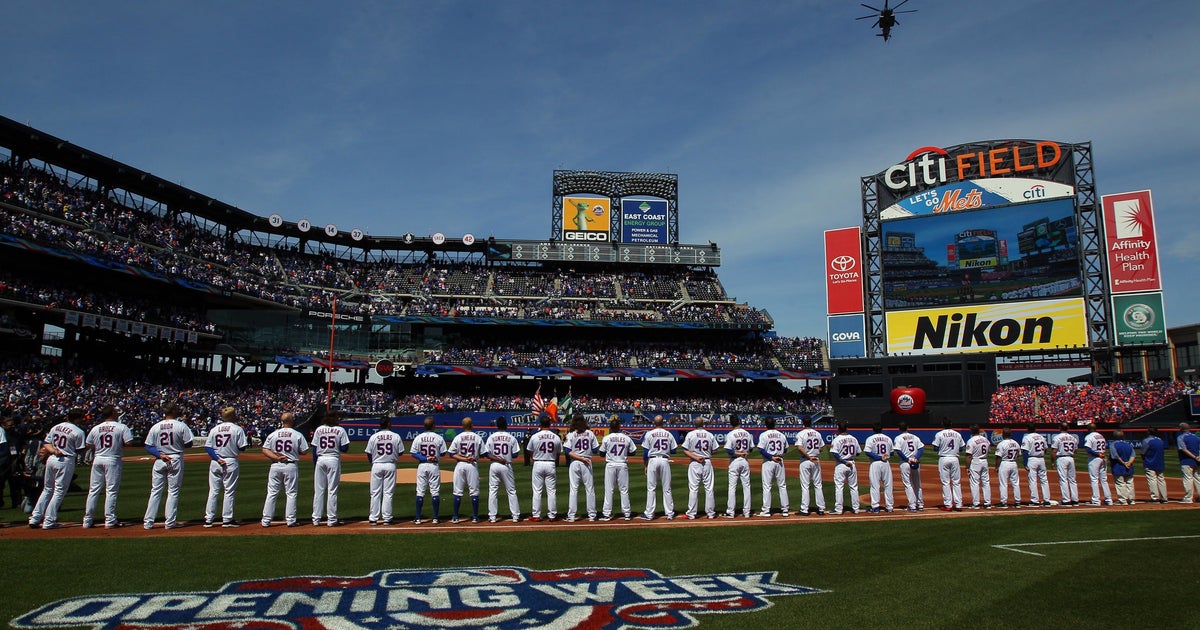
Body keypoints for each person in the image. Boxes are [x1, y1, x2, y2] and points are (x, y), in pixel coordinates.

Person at [28, 409, 85, 530]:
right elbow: (80, 450)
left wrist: (54, 451)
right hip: (66, 460)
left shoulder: (56, 427)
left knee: (47, 489)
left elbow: (46, 443)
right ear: (77, 418)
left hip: (52, 458)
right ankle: (49, 520)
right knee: (59, 491)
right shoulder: (78, 431)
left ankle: (35, 518)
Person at [143, 403, 195, 530]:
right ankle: (170, 522)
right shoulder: (181, 425)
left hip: (160, 459)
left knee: (155, 491)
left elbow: (148, 446)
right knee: (173, 491)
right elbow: (189, 444)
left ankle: (148, 523)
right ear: (174, 411)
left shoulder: (156, 426)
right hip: (175, 458)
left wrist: (160, 455)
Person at [82, 405, 133, 529]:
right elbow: (129, 442)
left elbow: (89, 444)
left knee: (93, 490)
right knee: (111, 490)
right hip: (112, 458)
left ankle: (87, 520)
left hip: (98, 458)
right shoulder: (121, 427)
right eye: (115, 412)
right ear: (112, 414)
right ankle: (110, 520)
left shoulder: (96, 428)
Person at [203, 407, 248, 528]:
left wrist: (217, 458)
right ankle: (227, 519)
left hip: (215, 461)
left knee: (213, 491)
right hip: (230, 461)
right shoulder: (237, 429)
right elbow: (242, 447)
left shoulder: (214, 429)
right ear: (234, 416)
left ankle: (208, 519)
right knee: (229, 491)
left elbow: (208, 447)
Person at [311, 410, 350, 527]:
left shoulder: (319, 429)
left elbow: (314, 450)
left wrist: (315, 464)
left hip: (320, 459)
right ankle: (332, 519)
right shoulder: (340, 430)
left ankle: (316, 519)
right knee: (332, 490)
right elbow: (345, 448)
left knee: (318, 491)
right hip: (333, 459)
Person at [364, 417, 404, 526]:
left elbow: (368, 453)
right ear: (389, 424)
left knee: (375, 492)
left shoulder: (374, 436)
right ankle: (387, 518)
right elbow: (400, 452)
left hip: (377, 464)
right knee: (388, 493)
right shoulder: (395, 436)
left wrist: (373, 462)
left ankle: (373, 518)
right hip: (390, 464)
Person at [483, 416, 522, 523]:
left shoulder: (491, 437)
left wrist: (497, 458)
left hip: (494, 465)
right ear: (506, 425)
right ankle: (515, 516)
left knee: (493, 490)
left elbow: (487, 454)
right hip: (506, 465)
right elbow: (515, 454)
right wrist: (505, 456)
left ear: (497, 425)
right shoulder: (511, 437)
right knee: (511, 490)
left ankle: (492, 516)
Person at [410, 416, 448, 524]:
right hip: (434, 465)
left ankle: (417, 518)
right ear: (434, 426)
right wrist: (433, 456)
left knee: (420, 492)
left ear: (424, 426)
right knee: (435, 492)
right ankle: (435, 518)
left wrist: (425, 457)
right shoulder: (438, 438)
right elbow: (443, 453)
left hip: (422, 466)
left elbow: (414, 453)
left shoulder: (418, 437)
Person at [640, 414, 678, 520]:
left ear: (654, 422)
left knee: (651, 488)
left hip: (652, 460)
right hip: (665, 460)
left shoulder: (649, 434)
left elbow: (645, 452)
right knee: (667, 488)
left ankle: (649, 514)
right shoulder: (668, 434)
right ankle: (670, 513)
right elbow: (674, 450)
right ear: (663, 422)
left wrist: (645, 465)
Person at [563, 413, 599, 522]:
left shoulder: (571, 434)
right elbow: (595, 450)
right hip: (587, 462)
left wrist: (579, 456)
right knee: (590, 489)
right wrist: (584, 455)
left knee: (574, 489)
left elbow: (567, 451)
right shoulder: (590, 433)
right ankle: (592, 515)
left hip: (574, 462)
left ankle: (571, 516)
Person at [598, 416, 636, 521]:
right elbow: (633, 452)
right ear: (619, 427)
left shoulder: (606, 438)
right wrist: (624, 453)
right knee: (624, 490)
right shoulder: (626, 438)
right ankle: (627, 514)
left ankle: (606, 514)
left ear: (610, 427)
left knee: (609, 490)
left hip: (610, 465)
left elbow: (601, 453)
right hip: (622, 464)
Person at [448, 416, 484, 524]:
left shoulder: (458, 437)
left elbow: (451, 454)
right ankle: (475, 517)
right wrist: (473, 457)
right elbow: (483, 453)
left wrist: (464, 458)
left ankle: (455, 516)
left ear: (462, 426)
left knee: (458, 492)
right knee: (474, 492)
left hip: (460, 465)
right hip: (472, 465)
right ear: (472, 425)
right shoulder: (477, 437)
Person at [527, 414, 562, 522]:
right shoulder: (556, 437)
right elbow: (558, 454)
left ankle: (536, 515)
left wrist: (534, 459)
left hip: (538, 463)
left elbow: (530, 451)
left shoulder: (535, 436)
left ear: (540, 424)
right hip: (550, 463)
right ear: (550, 424)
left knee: (537, 491)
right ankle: (552, 515)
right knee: (551, 491)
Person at [681, 416, 717, 520]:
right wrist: (705, 453)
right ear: (703, 424)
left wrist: (696, 456)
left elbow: (685, 449)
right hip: (707, 462)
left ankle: (691, 514)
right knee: (709, 488)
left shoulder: (690, 434)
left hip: (694, 463)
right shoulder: (709, 435)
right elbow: (715, 450)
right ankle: (710, 513)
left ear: (694, 424)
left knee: (693, 489)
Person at [755, 416, 789, 517]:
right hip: (780, 461)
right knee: (782, 485)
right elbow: (786, 449)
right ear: (774, 424)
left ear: (765, 424)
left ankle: (766, 511)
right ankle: (785, 510)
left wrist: (771, 457)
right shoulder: (781, 435)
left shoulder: (764, 435)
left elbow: (761, 449)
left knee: (767, 486)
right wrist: (778, 455)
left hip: (768, 462)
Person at [722, 415, 753, 518]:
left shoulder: (731, 434)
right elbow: (752, 448)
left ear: (731, 423)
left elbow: (728, 450)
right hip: (745, 461)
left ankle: (730, 512)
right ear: (739, 422)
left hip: (735, 461)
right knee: (746, 486)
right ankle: (747, 512)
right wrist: (744, 452)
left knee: (732, 487)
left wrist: (738, 453)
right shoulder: (747, 433)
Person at [794, 416, 827, 516]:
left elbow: (799, 448)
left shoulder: (801, 433)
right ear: (811, 423)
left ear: (803, 423)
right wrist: (815, 453)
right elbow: (822, 447)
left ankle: (804, 509)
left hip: (806, 460)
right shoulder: (817, 433)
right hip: (816, 460)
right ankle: (821, 509)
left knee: (805, 485)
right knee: (818, 485)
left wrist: (808, 456)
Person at [931, 417, 964, 512]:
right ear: (951, 424)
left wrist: (944, 447)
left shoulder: (939, 434)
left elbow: (935, 448)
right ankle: (958, 505)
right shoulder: (957, 434)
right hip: (955, 458)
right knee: (956, 482)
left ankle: (948, 505)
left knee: (945, 482)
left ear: (942, 424)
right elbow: (961, 448)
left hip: (944, 458)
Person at [829, 421, 861, 515]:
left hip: (841, 464)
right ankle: (856, 508)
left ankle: (838, 509)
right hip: (852, 463)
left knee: (839, 487)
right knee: (854, 487)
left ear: (838, 429)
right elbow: (858, 452)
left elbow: (834, 453)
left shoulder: (837, 439)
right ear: (847, 428)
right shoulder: (853, 439)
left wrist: (843, 461)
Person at [893, 422, 925, 511]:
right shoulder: (915, 437)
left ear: (899, 428)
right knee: (917, 484)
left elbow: (898, 451)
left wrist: (907, 459)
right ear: (907, 427)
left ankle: (912, 505)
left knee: (908, 484)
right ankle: (920, 504)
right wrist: (916, 458)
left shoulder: (898, 438)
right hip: (915, 462)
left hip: (905, 463)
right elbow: (921, 448)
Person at [863, 423, 894, 513]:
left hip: (875, 463)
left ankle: (875, 507)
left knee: (875, 485)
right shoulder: (888, 438)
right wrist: (884, 456)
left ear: (873, 429)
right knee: (888, 485)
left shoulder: (870, 439)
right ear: (882, 429)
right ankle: (889, 507)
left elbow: (867, 452)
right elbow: (891, 453)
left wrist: (879, 457)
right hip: (886, 463)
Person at [1083, 423, 1114, 506]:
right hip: (1102, 458)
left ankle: (1096, 500)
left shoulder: (1089, 437)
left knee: (1094, 479)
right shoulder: (1101, 436)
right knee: (1104, 480)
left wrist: (1097, 454)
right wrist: (1101, 455)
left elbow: (1088, 450)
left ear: (1088, 429)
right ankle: (1109, 499)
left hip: (1094, 459)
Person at [1050, 422, 1080, 507]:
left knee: (1063, 479)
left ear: (1060, 428)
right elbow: (1076, 450)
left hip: (1062, 458)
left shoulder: (1057, 437)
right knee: (1072, 480)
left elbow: (1054, 451)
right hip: (1071, 458)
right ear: (1068, 428)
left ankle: (1066, 500)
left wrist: (1052, 462)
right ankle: (1075, 500)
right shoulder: (1073, 438)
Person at [1021, 424, 1051, 507]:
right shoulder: (1041, 437)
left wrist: (1025, 463)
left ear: (1027, 429)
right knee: (1044, 480)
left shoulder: (1027, 437)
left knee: (1033, 480)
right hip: (1041, 459)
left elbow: (1025, 452)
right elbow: (1046, 449)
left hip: (1032, 459)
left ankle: (1035, 500)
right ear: (1035, 429)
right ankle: (1047, 500)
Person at [964, 425, 991, 509]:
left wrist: (967, 467)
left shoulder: (971, 441)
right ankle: (987, 503)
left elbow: (968, 456)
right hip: (984, 461)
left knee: (974, 483)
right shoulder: (985, 439)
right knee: (986, 482)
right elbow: (988, 451)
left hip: (975, 461)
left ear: (971, 431)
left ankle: (976, 504)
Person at [995, 428, 1022, 508]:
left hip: (1004, 463)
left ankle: (1003, 502)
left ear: (1003, 434)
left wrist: (997, 466)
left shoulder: (1001, 444)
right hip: (1014, 463)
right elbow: (1019, 454)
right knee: (1015, 483)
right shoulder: (1016, 443)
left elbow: (998, 457)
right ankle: (1017, 502)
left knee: (1003, 483)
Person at [1109, 429, 1137, 505]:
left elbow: (1115, 456)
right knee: (1129, 483)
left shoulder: (1113, 444)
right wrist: (1129, 463)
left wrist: (1124, 463)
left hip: (1118, 467)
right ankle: (1131, 500)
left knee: (1120, 483)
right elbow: (1133, 455)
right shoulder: (1128, 444)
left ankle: (1123, 500)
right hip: (1129, 467)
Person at [1141, 426, 1167, 503]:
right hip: (1160, 463)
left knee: (1152, 480)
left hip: (1150, 462)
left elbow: (1143, 453)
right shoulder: (1160, 440)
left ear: (1148, 432)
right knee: (1161, 480)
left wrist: (1144, 459)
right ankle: (1164, 498)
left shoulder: (1146, 441)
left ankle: (1155, 498)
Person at [1176, 422, 1199, 503]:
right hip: (1197, 461)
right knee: (1198, 479)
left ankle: (1188, 498)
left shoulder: (1180, 437)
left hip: (1186, 460)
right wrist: (1198, 457)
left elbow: (1184, 449)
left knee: (1188, 479)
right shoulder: (1196, 436)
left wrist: (1194, 457)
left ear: (1181, 429)